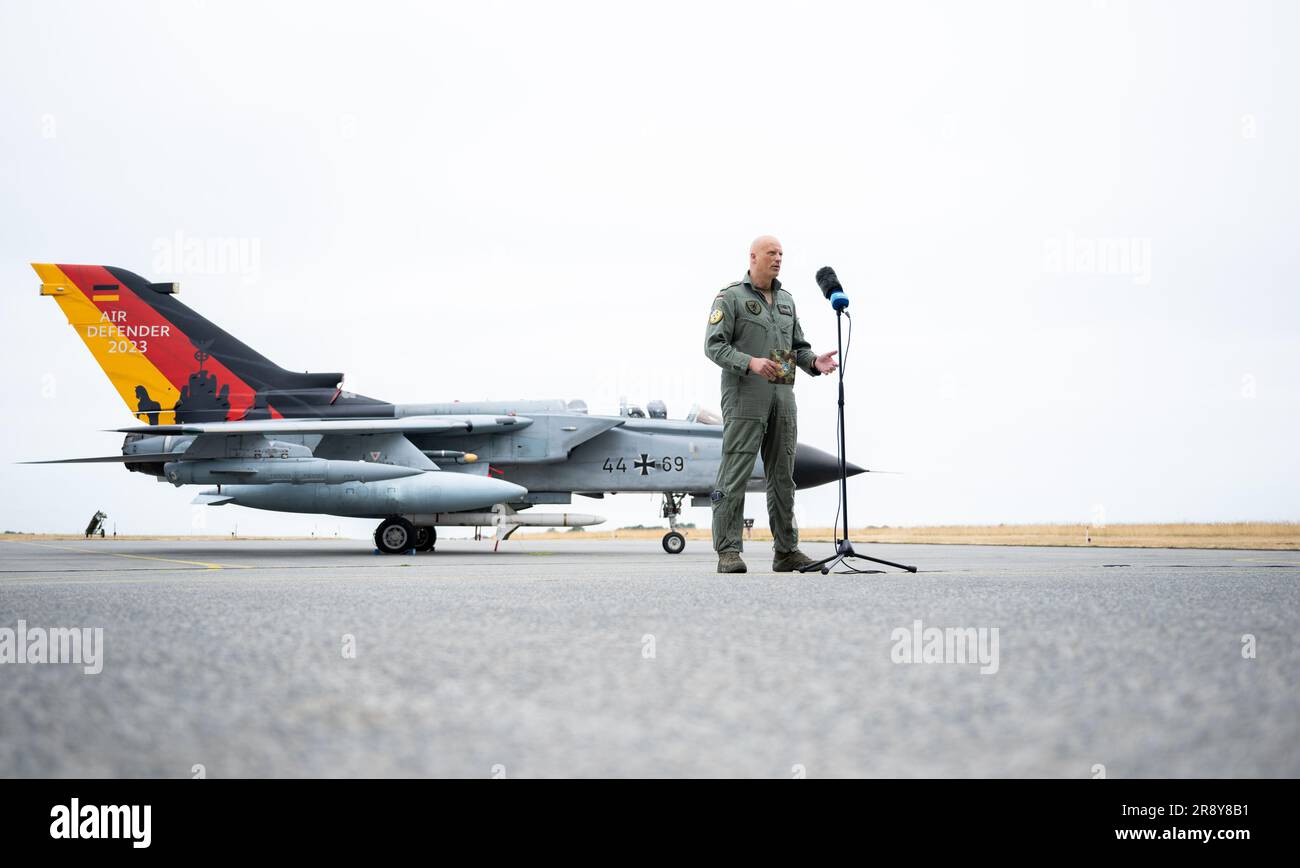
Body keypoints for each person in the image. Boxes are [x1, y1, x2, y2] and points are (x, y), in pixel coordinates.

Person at [704, 236, 839, 574]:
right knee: (735, 474)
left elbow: (798, 347)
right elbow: (713, 345)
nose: (778, 258)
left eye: (781, 254)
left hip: (782, 396)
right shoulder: (731, 297)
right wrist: (749, 362)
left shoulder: (786, 301)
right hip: (745, 398)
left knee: (783, 476)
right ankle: (729, 552)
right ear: (753, 257)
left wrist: (813, 363)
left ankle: (786, 550)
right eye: (771, 253)